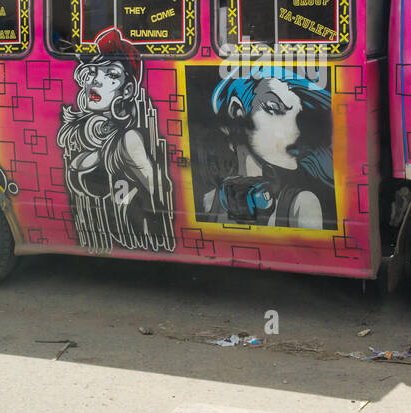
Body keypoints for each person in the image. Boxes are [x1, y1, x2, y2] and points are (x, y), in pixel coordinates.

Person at [56, 28, 175, 254]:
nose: (97, 81)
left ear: (128, 89)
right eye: (94, 72)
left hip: (133, 235)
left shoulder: (128, 139)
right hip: (96, 240)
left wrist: (160, 232)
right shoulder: (85, 133)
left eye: (111, 74)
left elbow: (156, 190)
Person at [204, 67, 335, 229]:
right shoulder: (210, 201)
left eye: (297, 116)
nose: (295, 130)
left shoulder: (301, 204)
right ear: (237, 112)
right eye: (274, 108)